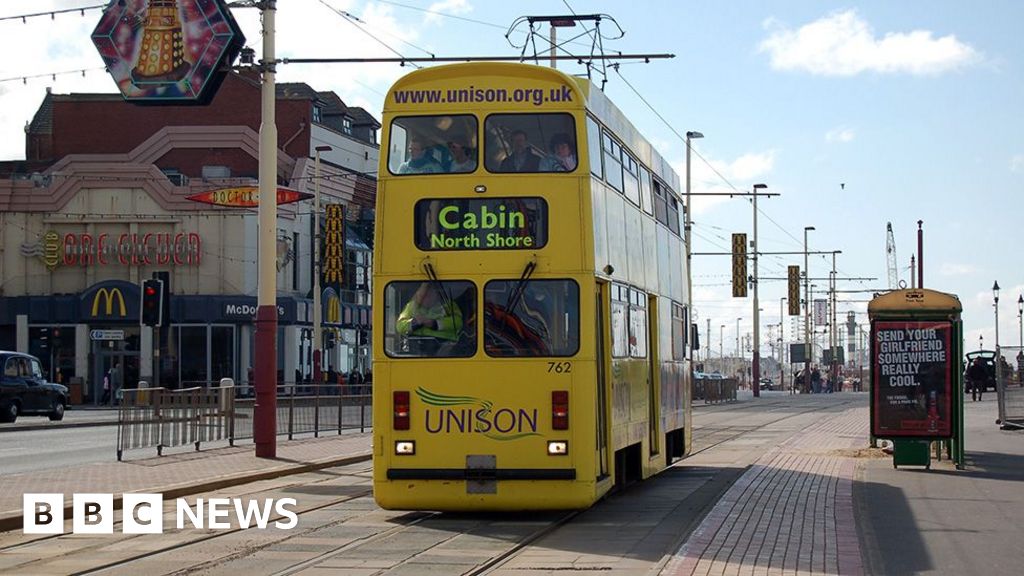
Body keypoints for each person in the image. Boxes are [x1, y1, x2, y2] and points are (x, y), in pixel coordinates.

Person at [396, 283, 462, 343]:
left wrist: (434, 323)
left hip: (444, 343)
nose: (425, 297)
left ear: (437, 295)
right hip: (416, 344)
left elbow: (458, 322)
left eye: (430, 294)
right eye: (423, 294)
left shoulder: (448, 305)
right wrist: (415, 322)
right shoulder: (412, 306)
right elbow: (400, 326)